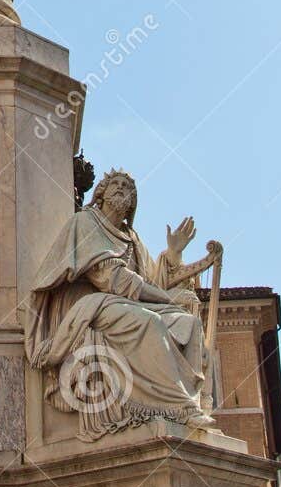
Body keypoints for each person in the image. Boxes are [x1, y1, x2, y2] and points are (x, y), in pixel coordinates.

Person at [25, 170, 217, 438]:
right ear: (101, 193)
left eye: (127, 187)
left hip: (121, 303)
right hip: (87, 305)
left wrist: (173, 254)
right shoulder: (86, 222)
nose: (120, 188)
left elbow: (152, 282)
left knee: (188, 323)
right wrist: (167, 298)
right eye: (115, 183)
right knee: (150, 322)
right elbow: (112, 278)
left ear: (132, 203)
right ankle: (180, 406)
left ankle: (191, 404)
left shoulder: (131, 238)